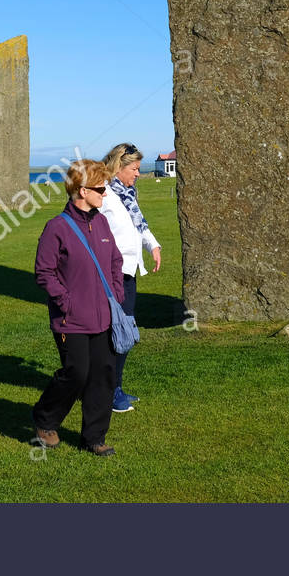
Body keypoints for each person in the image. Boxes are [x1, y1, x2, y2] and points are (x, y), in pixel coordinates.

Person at [32, 159, 124, 456]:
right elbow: (44, 273)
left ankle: (94, 438)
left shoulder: (101, 221)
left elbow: (114, 262)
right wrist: (67, 302)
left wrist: (116, 296)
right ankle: (45, 420)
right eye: (100, 188)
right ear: (82, 191)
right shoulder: (56, 228)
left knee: (103, 375)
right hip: (71, 320)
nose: (105, 193)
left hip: (105, 317)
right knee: (77, 373)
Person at [98, 142, 161, 413]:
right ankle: (109, 392)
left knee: (125, 332)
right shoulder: (103, 194)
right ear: (119, 166)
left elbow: (139, 224)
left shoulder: (127, 194)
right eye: (134, 169)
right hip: (111, 274)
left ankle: (116, 387)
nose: (137, 173)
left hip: (128, 272)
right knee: (117, 333)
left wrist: (153, 245)